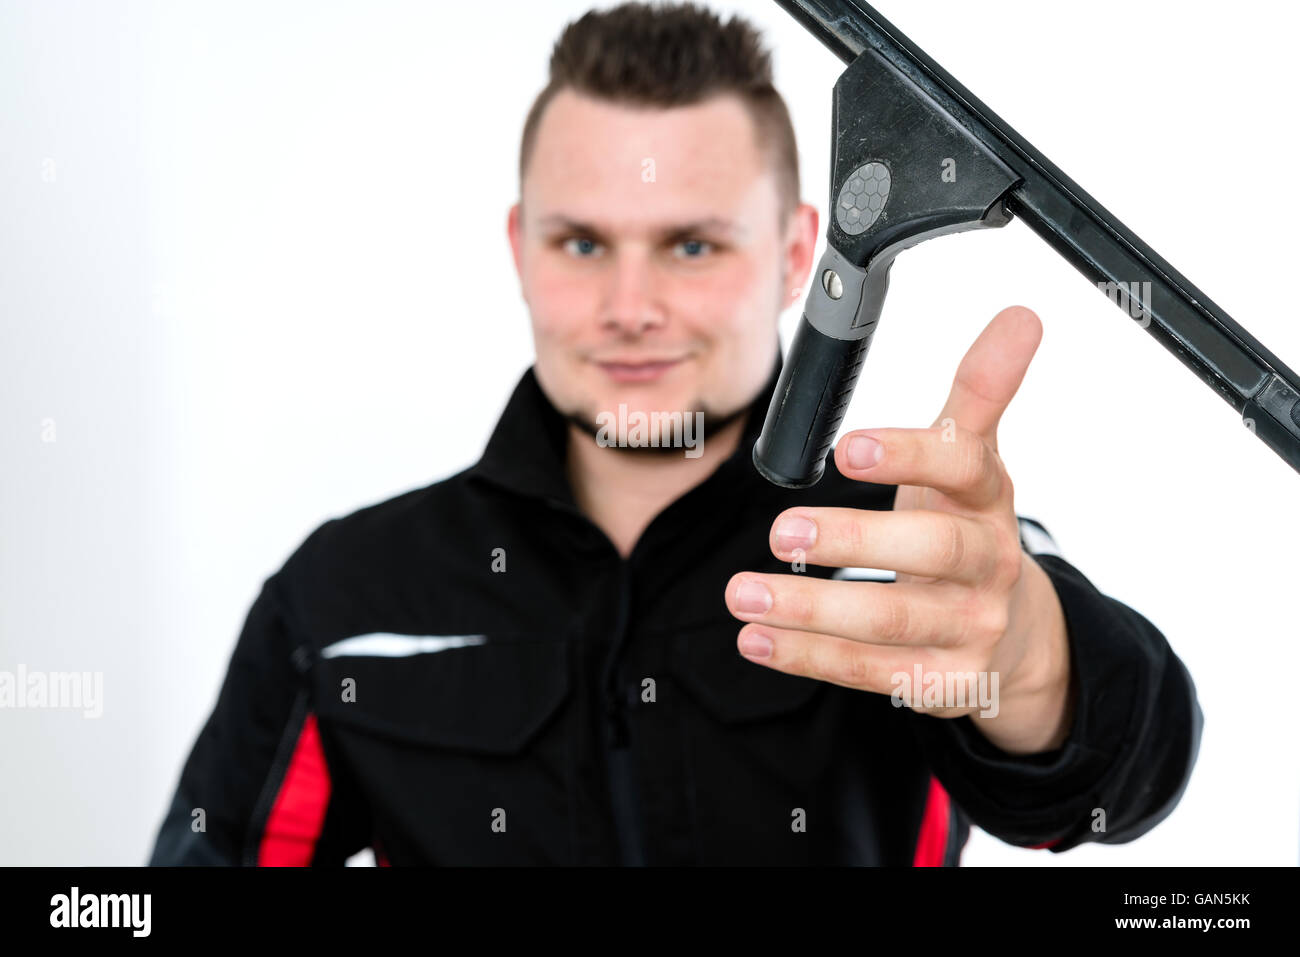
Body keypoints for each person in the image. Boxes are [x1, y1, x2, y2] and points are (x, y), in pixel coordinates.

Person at [148, 1, 1201, 866]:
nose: (632, 303)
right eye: (582, 243)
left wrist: (1025, 661)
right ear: (522, 249)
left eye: (693, 244)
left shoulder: (912, 555)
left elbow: (1123, 771)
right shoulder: (347, 594)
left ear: (798, 251)